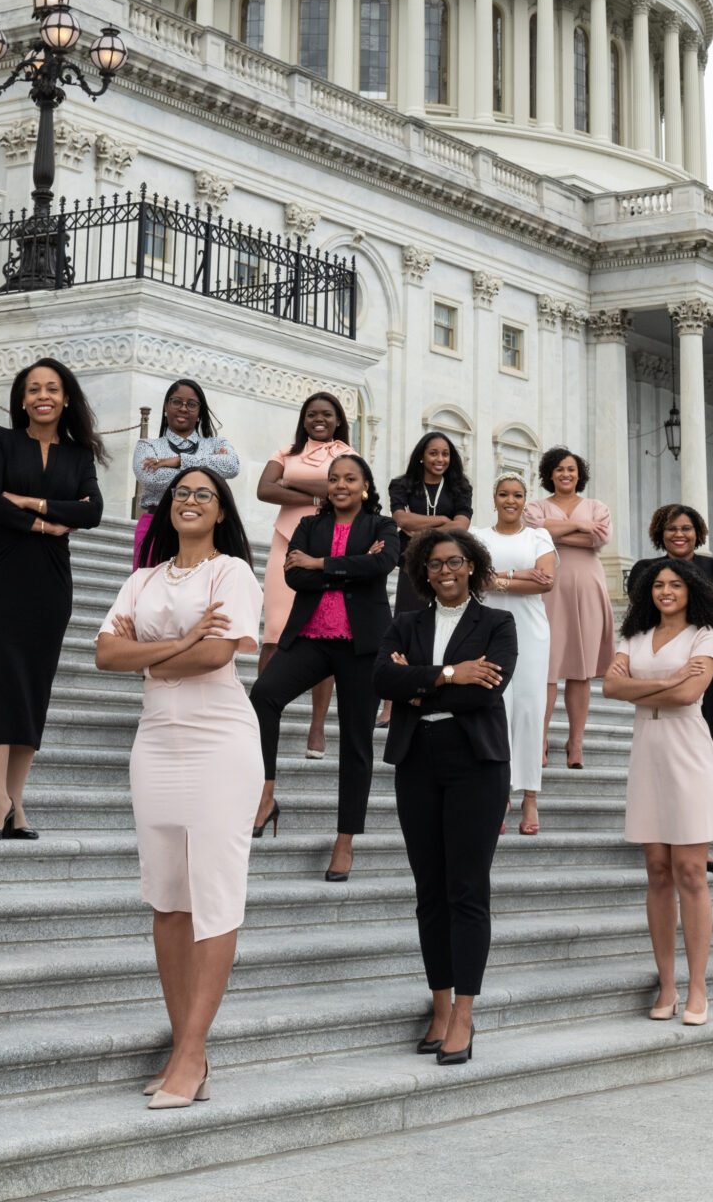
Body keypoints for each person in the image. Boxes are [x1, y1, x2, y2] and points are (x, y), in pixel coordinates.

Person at [96, 467, 263, 1110]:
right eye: (181, 494)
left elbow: (216, 658)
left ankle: (192, 1053)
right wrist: (186, 639)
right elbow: (104, 655)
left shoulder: (233, 573)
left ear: (221, 511)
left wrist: (162, 648)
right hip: (155, 742)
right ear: (167, 510)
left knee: (213, 895)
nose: (191, 501)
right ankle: (183, 1046)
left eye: (205, 495)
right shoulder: (141, 579)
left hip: (219, 739)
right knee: (167, 898)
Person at [375, 528, 517, 1066]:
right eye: (435, 565)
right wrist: (451, 674)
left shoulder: (497, 623)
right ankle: (438, 1004)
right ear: (423, 572)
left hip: (475, 763)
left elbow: (489, 691)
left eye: (455, 561)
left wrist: (419, 685)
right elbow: (381, 680)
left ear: (472, 565)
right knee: (429, 891)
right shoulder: (407, 623)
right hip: (417, 759)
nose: (445, 571)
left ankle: (464, 1011)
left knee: (466, 889)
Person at [0, 360, 104, 838]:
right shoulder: (2, 439)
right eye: (33, 388)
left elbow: (94, 512)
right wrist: (44, 522)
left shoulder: (80, 454)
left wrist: (29, 501)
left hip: (48, 580)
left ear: (66, 398)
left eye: (53, 388)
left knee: (31, 686)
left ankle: (15, 802)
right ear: (22, 399)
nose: (43, 395)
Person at [248, 452, 396, 881]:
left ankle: (345, 839)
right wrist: (343, 568)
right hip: (310, 638)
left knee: (355, 743)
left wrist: (320, 564)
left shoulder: (383, 527)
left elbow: (382, 564)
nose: (340, 485)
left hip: (362, 647)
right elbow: (296, 576)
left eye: (350, 478)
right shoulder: (309, 525)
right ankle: (265, 794)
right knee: (263, 695)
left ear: (365, 486)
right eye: (334, 479)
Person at [603, 557, 713, 1025]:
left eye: (675, 584)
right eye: (658, 584)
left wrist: (639, 686)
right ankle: (668, 985)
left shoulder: (705, 636)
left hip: (688, 751)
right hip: (648, 753)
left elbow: (685, 697)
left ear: (691, 589)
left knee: (690, 871)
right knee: (657, 870)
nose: (665, 590)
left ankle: (698, 988)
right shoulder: (633, 636)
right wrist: (666, 681)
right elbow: (608, 687)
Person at [256, 393, 355, 758]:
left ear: (337, 420)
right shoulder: (285, 451)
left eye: (326, 414)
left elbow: (347, 490)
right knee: (274, 633)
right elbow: (264, 489)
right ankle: (262, 718)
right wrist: (318, 496)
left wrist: (292, 486)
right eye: (312, 414)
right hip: (285, 545)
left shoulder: (348, 455)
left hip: (328, 548)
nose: (319, 419)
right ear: (304, 419)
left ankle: (317, 728)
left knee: (322, 634)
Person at [523, 448, 615, 768]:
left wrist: (555, 532)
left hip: (588, 587)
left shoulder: (597, 507)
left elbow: (601, 538)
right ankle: (539, 741)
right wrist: (582, 528)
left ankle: (575, 744)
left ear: (580, 474)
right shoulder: (536, 506)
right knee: (546, 669)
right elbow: (534, 532)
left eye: (572, 469)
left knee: (581, 670)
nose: (567, 474)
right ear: (550, 473)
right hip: (549, 587)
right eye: (560, 469)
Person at [375, 431, 475, 724]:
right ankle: (390, 705)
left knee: (444, 632)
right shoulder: (403, 484)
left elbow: (463, 527)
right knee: (404, 632)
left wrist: (423, 529)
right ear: (421, 455)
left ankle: (434, 697)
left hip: (449, 569)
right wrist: (442, 521)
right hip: (412, 567)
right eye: (433, 453)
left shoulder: (459, 487)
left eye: (445, 454)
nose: (439, 459)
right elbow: (401, 520)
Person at [474, 473, 554, 833]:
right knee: (495, 708)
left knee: (529, 710)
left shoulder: (539, 536)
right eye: (503, 494)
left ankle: (530, 798)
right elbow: (475, 580)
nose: (511, 500)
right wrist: (520, 577)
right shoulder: (477, 537)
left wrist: (499, 577)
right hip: (487, 631)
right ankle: (499, 791)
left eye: (518, 495)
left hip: (531, 633)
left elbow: (546, 580)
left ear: (526, 501)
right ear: (494, 498)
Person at [628, 504, 713, 743]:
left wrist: (673, 606)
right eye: (671, 528)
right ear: (660, 533)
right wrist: (705, 604)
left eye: (686, 528)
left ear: (698, 533)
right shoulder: (645, 568)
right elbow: (642, 605)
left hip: (708, 654)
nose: (679, 534)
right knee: (661, 719)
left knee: (707, 724)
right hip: (659, 653)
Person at [131, 379, 238, 568]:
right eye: (177, 402)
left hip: (205, 529)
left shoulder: (216, 444)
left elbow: (231, 466)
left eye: (191, 404)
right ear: (166, 406)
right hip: (156, 527)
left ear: (199, 412)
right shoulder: (148, 446)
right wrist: (208, 469)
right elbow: (152, 479)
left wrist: (178, 461)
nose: (183, 408)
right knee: (149, 590)